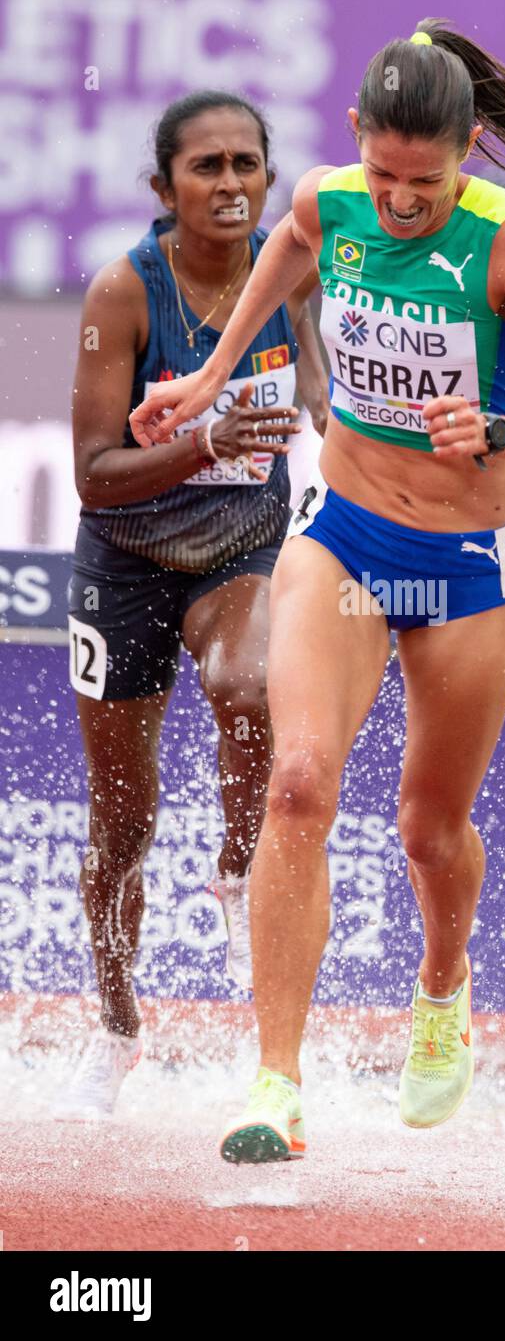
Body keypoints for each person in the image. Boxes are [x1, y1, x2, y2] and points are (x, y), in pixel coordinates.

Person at [130, 21, 505, 1162]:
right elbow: (284, 253)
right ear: (355, 144)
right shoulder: (329, 200)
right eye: (381, 174)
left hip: (468, 573)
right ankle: (274, 1087)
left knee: (429, 830)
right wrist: (206, 373)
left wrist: (494, 427)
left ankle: (442, 989)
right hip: (342, 537)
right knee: (296, 784)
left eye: (422, 183)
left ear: (468, 151)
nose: (396, 200)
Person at [60, 90, 330, 1119]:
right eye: (206, 167)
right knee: (120, 823)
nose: (229, 185)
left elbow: (304, 345)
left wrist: (311, 399)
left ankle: (233, 871)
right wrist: (200, 443)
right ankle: (119, 1028)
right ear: (164, 186)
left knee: (250, 686)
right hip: (125, 559)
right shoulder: (122, 292)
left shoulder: (285, 260)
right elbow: (92, 474)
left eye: (246, 165)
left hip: (241, 544)